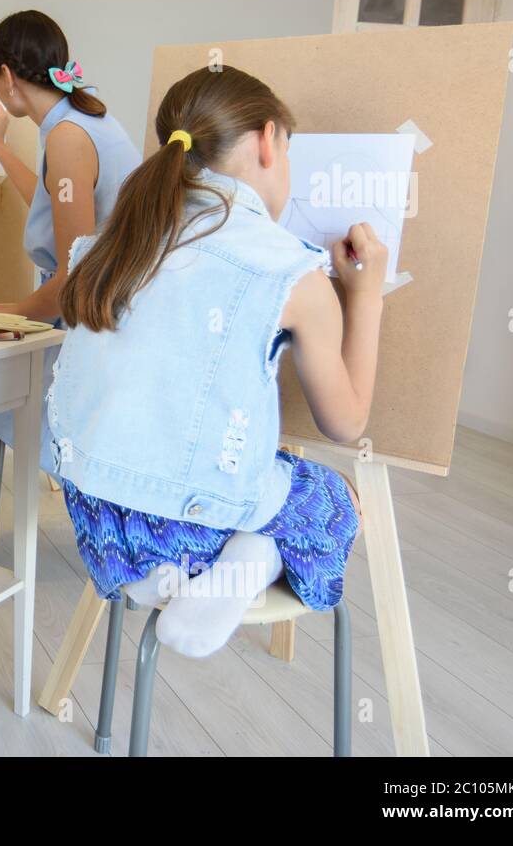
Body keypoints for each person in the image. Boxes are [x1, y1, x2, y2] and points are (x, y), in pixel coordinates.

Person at [50, 65, 379, 657]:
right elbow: (347, 423)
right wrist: (366, 294)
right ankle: (249, 557)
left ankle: (156, 578)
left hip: (100, 528)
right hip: (189, 527)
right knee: (340, 499)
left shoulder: (109, 246)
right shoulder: (288, 269)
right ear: (266, 140)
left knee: (248, 458)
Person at [0, 10, 140, 555]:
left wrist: (0, 308)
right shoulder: (82, 123)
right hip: (104, 319)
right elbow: (54, 203)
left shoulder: (67, 137)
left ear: (5, 77)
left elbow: (72, 283)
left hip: (90, 334)